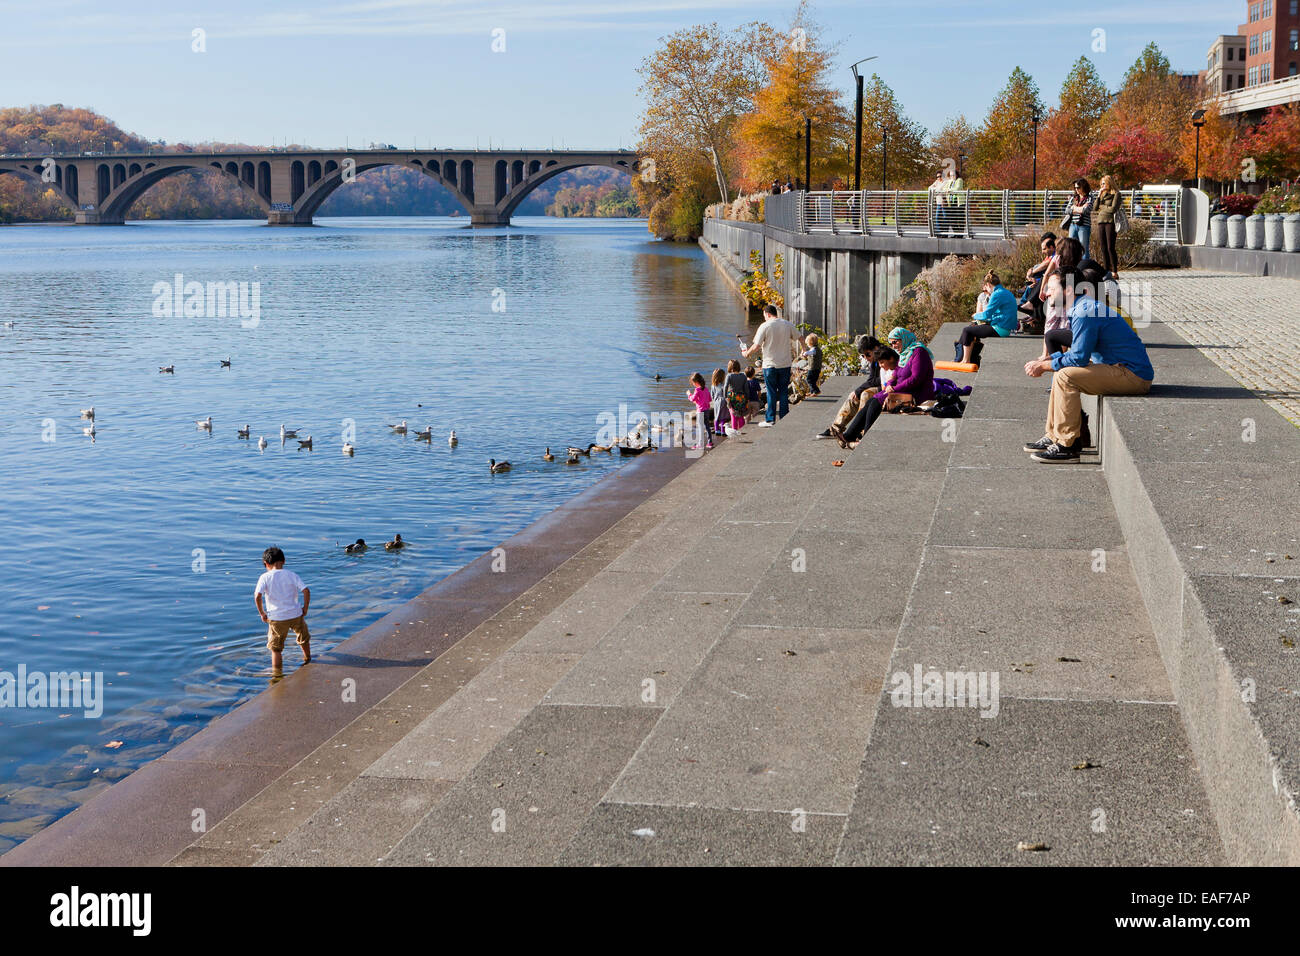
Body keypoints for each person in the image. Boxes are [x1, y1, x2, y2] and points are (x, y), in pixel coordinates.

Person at [1022, 261, 1154, 463]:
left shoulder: (1085, 311)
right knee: (1061, 373)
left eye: (1051, 288)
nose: (1046, 293)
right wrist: (1051, 360)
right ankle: (1054, 436)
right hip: (1118, 369)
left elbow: (1079, 358)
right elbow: (1077, 352)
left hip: (1132, 375)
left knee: (1065, 376)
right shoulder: (1082, 307)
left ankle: (1068, 445)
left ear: (1067, 290)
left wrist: (1043, 365)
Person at [741, 303, 800, 426]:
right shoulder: (787, 324)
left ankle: (770, 419)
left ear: (767, 314)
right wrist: (804, 349)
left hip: (770, 365)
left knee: (771, 391)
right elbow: (800, 337)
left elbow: (756, 346)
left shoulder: (765, 326)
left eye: (764, 316)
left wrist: (747, 353)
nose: (764, 318)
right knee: (783, 391)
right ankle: (784, 417)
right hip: (785, 363)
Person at [254, 546, 311, 672]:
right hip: (296, 614)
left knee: (276, 648)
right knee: (303, 638)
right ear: (284, 561)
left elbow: (257, 596)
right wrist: (305, 608)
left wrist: (262, 613)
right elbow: (306, 591)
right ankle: (308, 659)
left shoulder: (265, 577)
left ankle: (277, 674)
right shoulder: (292, 575)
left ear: (266, 564)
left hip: (277, 617)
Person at [816, 335, 882, 439]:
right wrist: (857, 392)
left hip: (887, 386)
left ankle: (859, 429)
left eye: (867, 354)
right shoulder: (874, 359)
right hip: (879, 385)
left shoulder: (884, 355)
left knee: (865, 394)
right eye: (863, 356)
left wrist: (859, 390)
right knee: (853, 398)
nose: (866, 358)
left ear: (876, 348)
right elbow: (872, 379)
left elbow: (882, 379)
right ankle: (836, 428)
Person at [954, 271, 1018, 365]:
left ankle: (965, 360)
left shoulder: (996, 294)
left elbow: (986, 315)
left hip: (1000, 328)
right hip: (1005, 327)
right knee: (973, 327)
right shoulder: (1005, 292)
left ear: (988, 284)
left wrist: (975, 315)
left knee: (967, 330)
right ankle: (969, 359)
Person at [1093, 174, 1121, 280]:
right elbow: (1095, 208)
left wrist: (1102, 206)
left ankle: (1114, 271)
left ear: (1109, 183)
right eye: (1101, 184)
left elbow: (1113, 209)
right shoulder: (1102, 194)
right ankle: (1106, 270)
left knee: (1110, 247)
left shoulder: (1117, 194)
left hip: (1110, 222)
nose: (1102, 185)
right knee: (1103, 247)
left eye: (1104, 183)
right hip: (1101, 222)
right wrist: (1099, 196)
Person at [1065, 178, 1095, 258]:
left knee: (1084, 248)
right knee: (1071, 247)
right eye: (1075, 188)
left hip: (1084, 226)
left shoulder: (1090, 197)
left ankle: (1084, 268)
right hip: (1073, 225)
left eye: (1078, 187)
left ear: (1083, 187)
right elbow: (1067, 210)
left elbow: (1086, 210)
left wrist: (1074, 208)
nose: (1076, 189)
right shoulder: (1074, 198)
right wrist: (1080, 208)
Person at [687, 372, 714, 450]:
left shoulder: (697, 390)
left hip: (700, 411)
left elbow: (693, 399)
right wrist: (700, 401)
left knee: (701, 428)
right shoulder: (705, 389)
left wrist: (689, 394)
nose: (693, 384)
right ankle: (710, 442)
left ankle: (700, 444)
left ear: (696, 382)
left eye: (693, 383)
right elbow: (709, 399)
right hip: (707, 410)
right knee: (707, 426)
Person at [723, 359, 748, 432]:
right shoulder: (743, 375)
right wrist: (747, 398)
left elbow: (725, 387)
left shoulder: (729, 376)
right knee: (741, 415)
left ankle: (734, 431)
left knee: (733, 416)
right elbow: (746, 388)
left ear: (730, 367)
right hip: (741, 397)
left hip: (732, 397)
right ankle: (742, 431)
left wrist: (725, 397)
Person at [709, 368, 727, 436]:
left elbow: (712, 395)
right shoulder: (723, 385)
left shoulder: (713, 385)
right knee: (723, 417)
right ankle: (723, 431)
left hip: (716, 402)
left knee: (716, 416)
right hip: (723, 401)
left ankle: (717, 430)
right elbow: (725, 394)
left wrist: (715, 400)